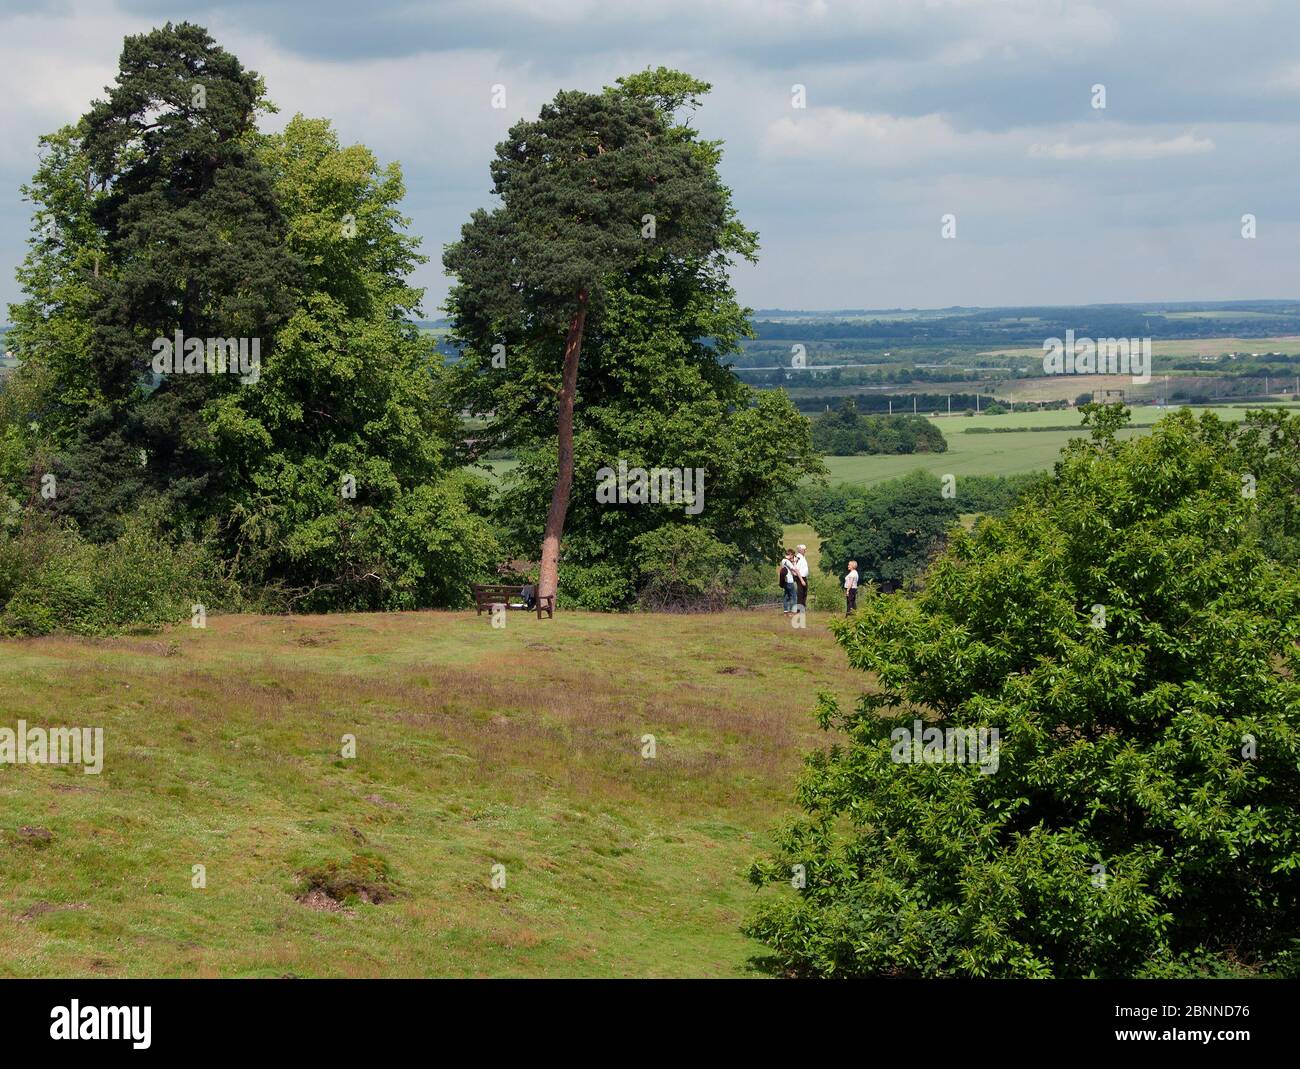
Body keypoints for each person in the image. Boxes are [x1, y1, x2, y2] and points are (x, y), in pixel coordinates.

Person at [779, 550, 797, 615]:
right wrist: (794, 562)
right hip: (790, 581)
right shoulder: (787, 561)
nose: (792, 557)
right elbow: (794, 569)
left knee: (786, 596)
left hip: (785, 582)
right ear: (790, 554)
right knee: (794, 597)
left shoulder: (783, 561)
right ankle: (792, 612)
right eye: (792, 555)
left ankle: (785, 611)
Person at [793, 544, 809, 610]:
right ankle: (799, 609)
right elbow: (796, 569)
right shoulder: (798, 557)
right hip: (800, 577)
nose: (805, 551)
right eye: (804, 549)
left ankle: (803, 607)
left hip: (804, 577)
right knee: (800, 593)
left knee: (804, 592)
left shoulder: (803, 557)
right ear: (801, 550)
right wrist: (801, 580)